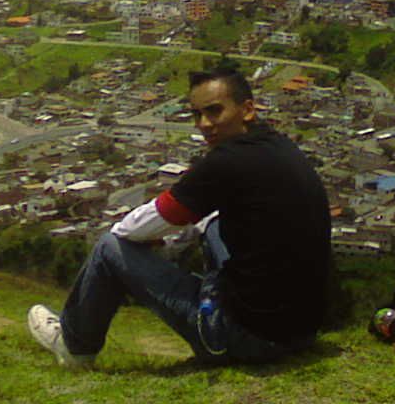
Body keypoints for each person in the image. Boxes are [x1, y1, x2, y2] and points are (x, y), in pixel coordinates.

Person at [28, 69, 331, 367]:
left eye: (214, 112)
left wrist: (145, 243)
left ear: (247, 109)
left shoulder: (226, 162)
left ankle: (74, 346)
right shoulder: (281, 146)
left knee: (110, 248)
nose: (204, 124)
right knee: (213, 224)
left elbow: (139, 225)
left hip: (242, 338)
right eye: (197, 115)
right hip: (301, 332)